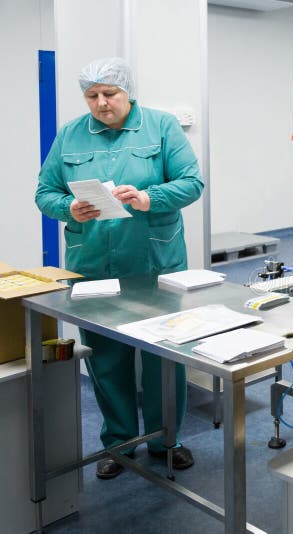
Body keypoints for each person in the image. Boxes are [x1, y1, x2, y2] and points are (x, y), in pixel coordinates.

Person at [36, 57, 204, 477]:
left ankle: (167, 440)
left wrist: (149, 198)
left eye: (109, 94)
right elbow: (44, 192)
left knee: (164, 356)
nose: (101, 103)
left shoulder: (161, 127)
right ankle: (118, 443)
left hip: (155, 264)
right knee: (107, 358)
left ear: (128, 92)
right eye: (92, 96)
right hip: (93, 266)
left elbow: (191, 183)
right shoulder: (71, 135)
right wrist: (69, 209)